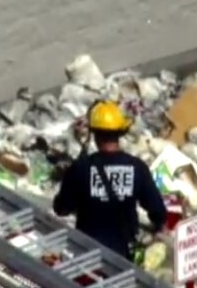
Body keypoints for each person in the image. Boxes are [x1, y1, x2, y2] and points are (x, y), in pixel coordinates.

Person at [53, 101, 168, 263]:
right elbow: (158, 211)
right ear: (120, 134)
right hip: (122, 256)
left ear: (94, 134)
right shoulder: (137, 167)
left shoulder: (81, 168)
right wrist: (157, 226)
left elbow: (61, 208)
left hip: (86, 254)